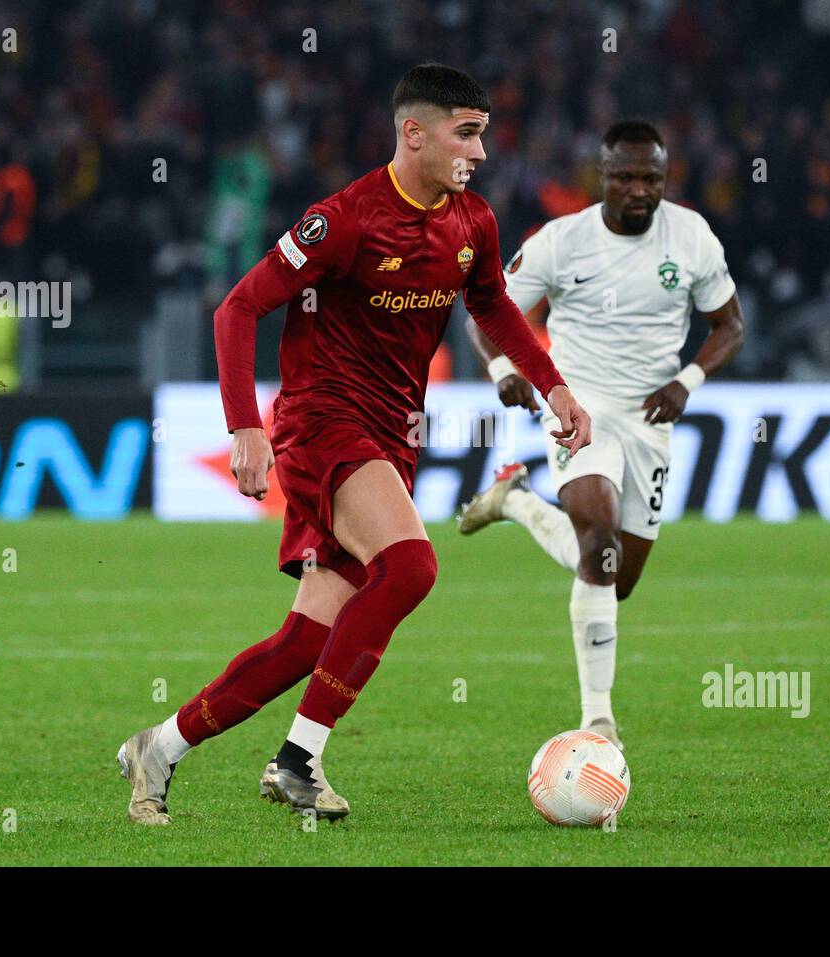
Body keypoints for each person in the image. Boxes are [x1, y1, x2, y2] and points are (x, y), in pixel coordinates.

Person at [116, 63, 591, 824]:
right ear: (415, 132)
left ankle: (159, 747)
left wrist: (552, 384)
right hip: (321, 423)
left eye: (483, 134)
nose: (481, 152)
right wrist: (245, 424)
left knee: (308, 641)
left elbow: (494, 304)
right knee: (411, 565)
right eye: (466, 133)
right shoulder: (345, 219)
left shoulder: (473, 222)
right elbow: (238, 309)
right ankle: (298, 759)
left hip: (392, 435)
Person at [458, 120, 744, 750]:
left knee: (615, 575)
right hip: (577, 404)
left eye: (652, 178)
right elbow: (487, 303)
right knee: (599, 536)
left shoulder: (691, 236)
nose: (639, 190)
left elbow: (730, 325)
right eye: (625, 177)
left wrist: (688, 380)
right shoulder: (563, 241)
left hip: (649, 419)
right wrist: (504, 367)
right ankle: (598, 720)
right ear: (602, 175)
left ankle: (516, 502)